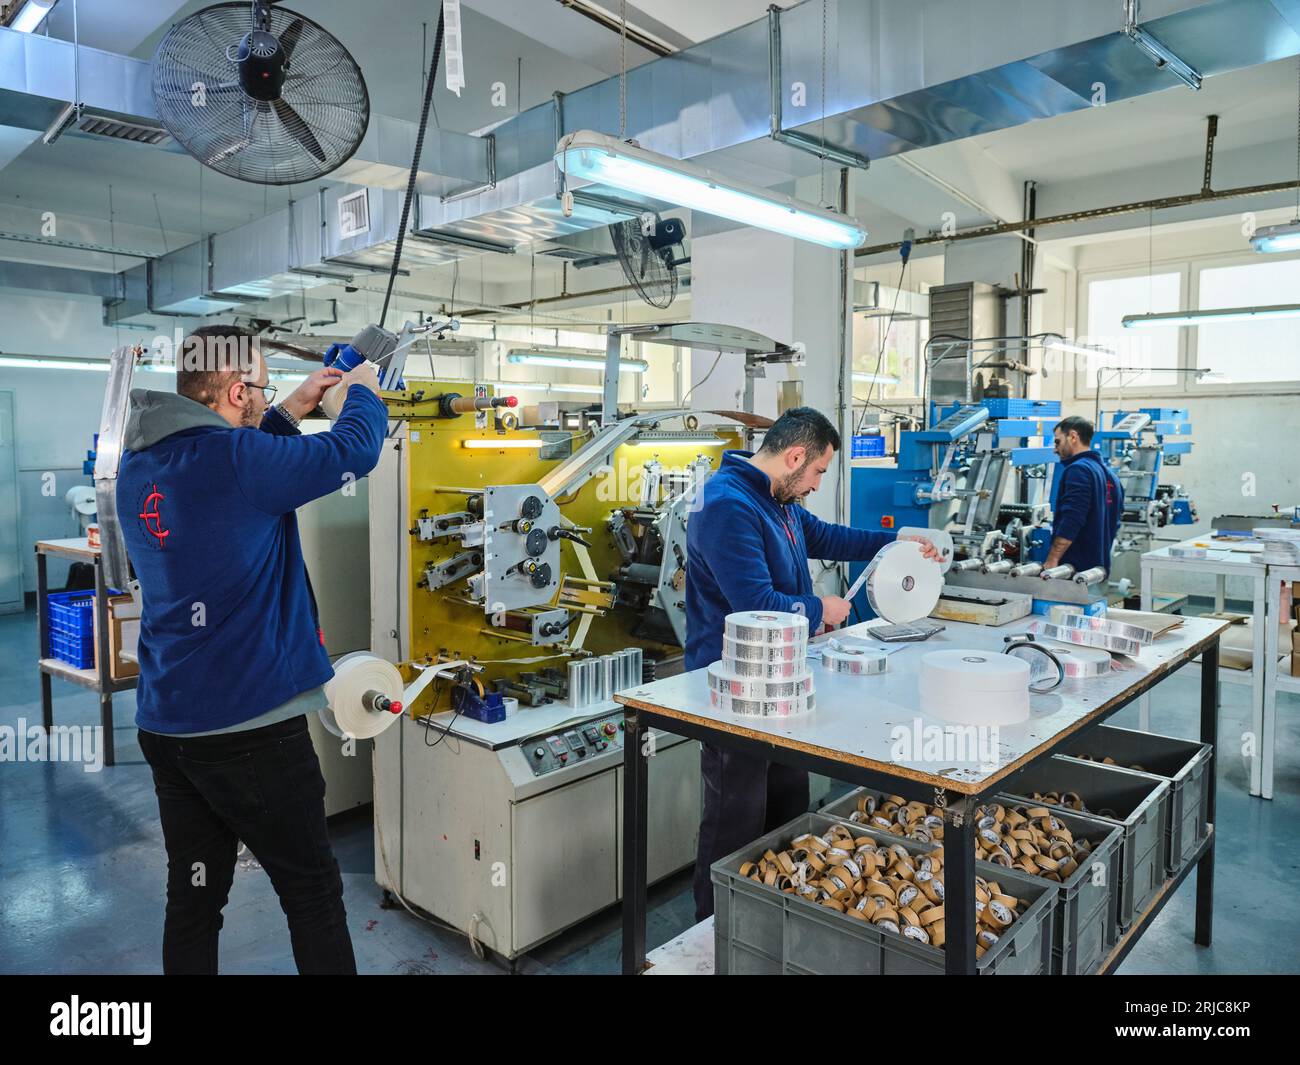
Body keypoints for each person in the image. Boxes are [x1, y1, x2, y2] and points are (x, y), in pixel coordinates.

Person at [118, 325, 387, 974]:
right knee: (312, 893)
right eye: (259, 389)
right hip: (251, 732)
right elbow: (356, 451)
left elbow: (226, 469)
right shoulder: (238, 463)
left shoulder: (138, 463)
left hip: (167, 723)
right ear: (237, 390)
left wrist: (288, 406)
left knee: (194, 899)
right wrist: (363, 392)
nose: (266, 398)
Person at [684, 406, 941, 921]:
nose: (818, 484)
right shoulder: (725, 505)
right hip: (734, 689)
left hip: (783, 680)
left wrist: (896, 543)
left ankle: (775, 907)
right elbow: (751, 603)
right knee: (736, 813)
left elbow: (825, 536)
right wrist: (819, 608)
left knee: (787, 802)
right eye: (819, 471)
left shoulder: (778, 499)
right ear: (795, 456)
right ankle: (712, 929)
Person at [1043, 414, 1124, 574]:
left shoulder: (1078, 470)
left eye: (1057, 442)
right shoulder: (1110, 475)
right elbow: (1116, 520)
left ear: (1073, 436)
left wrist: (1052, 559)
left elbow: (1072, 519)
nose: (1055, 449)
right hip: (1096, 569)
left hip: (1072, 570)